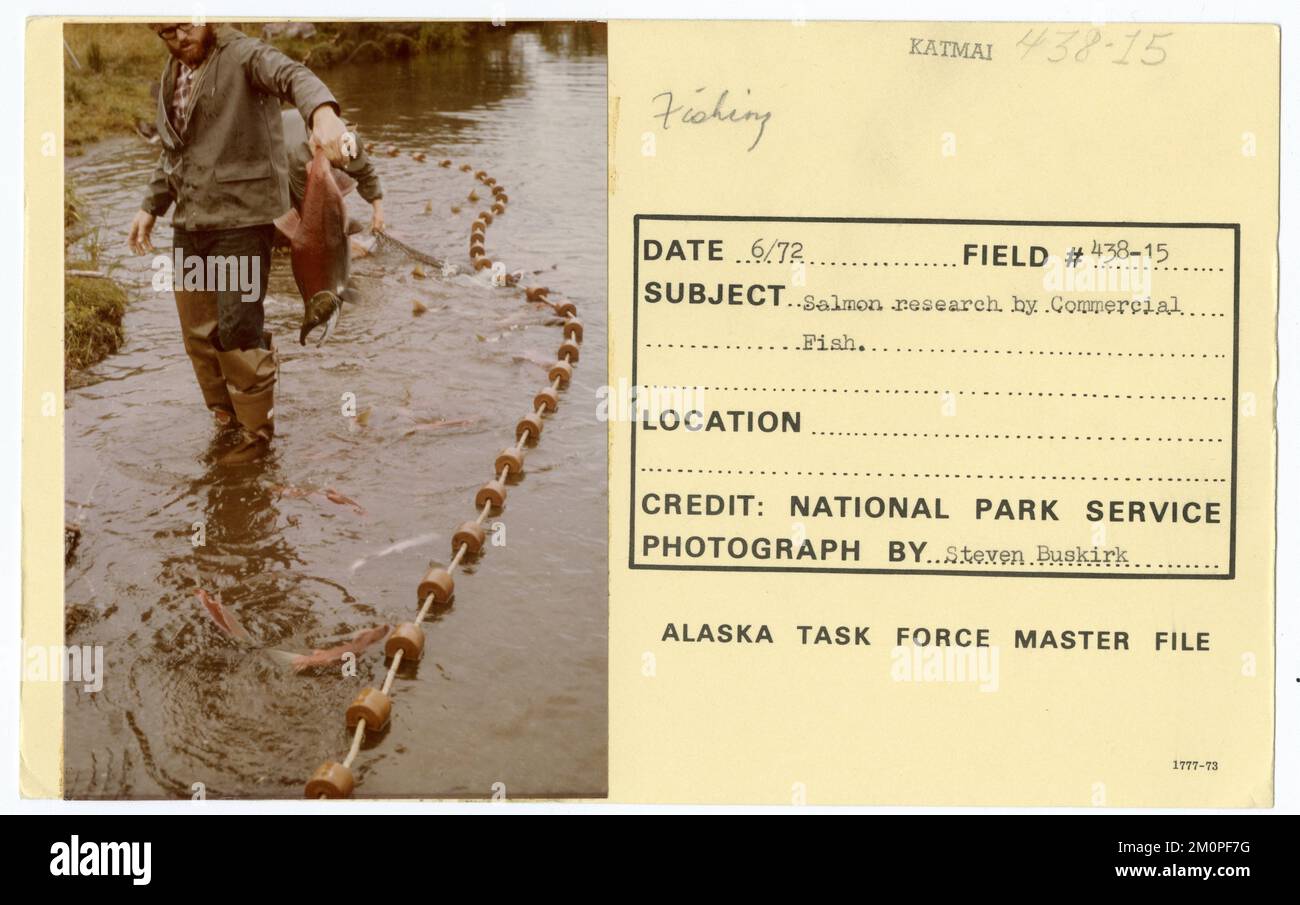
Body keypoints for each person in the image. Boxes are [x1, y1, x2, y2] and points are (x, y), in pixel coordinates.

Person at [128, 22, 353, 465]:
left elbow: (293, 76)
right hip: (190, 223)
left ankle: (257, 437)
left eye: (184, 27)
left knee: (238, 330)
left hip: (242, 223)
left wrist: (323, 113)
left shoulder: (247, 55)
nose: (178, 39)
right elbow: (174, 151)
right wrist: (151, 205)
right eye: (165, 32)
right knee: (197, 333)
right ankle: (226, 418)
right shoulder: (174, 71)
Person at [281, 108, 384, 234]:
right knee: (290, 218)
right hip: (278, 142)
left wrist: (378, 210)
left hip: (306, 134)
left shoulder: (347, 135)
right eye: (342, 164)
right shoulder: (302, 158)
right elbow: (311, 208)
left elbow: (365, 173)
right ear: (331, 155)